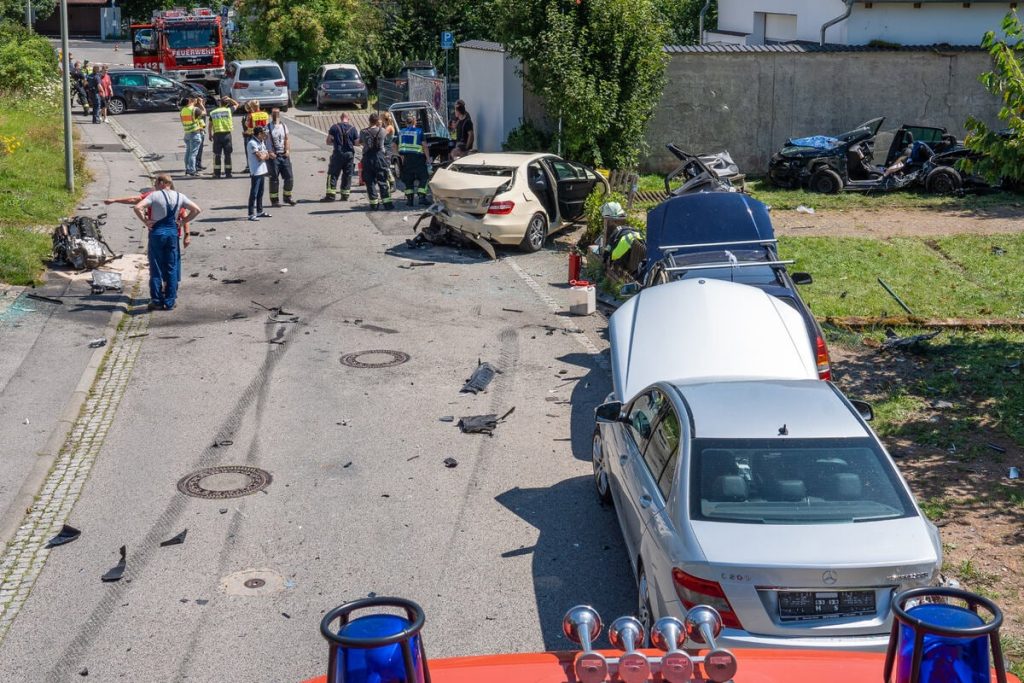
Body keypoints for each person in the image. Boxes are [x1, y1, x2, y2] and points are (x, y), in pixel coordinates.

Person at [132, 174, 201, 311]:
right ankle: (170, 301)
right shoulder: (180, 196)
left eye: (156, 183)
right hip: (172, 233)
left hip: (157, 232)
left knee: (156, 266)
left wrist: (145, 221)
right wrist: (183, 222)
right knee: (172, 266)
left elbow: (137, 207)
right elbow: (196, 210)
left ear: (162, 183)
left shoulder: (154, 196)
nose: (155, 186)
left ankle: (156, 300)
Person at [357, 113, 393, 210]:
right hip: (379, 157)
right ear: (378, 121)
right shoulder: (382, 131)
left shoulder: (363, 131)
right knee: (383, 180)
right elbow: (387, 139)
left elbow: (359, 142)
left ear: (369, 120)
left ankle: (374, 204)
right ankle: (387, 204)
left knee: (370, 182)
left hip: (367, 158)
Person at [396, 112, 430, 207]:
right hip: (418, 159)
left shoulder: (401, 132)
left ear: (406, 123)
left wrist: (399, 155)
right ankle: (422, 197)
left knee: (408, 180)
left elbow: (393, 145)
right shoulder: (419, 131)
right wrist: (428, 158)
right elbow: (425, 146)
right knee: (424, 177)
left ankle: (410, 200)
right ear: (414, 122)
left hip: (406, 159)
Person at [323, 112, 358, 201]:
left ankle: (331, 195)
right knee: (347, 174)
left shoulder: (334, 127)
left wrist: (335, 142)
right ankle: (345, 195)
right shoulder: (353, 129)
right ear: (348, 118)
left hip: (338, 153)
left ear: (341, 118)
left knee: (333, 174)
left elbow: (328, 141)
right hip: (349, 154)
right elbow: (357, 143)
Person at [266, 108, 296, 206]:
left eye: (277, 114)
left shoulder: (284, 126)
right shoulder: (267, 127)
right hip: (273, 157)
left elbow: (287, 139)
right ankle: (274, 200)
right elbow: (265, 141)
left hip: (284, 155)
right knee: (274, 179)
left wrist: (287, 150)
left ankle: (287, 197)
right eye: (274, 114)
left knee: (289, 177)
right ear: (271, 115)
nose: (276, 116)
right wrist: (269, 152)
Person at [208, 96, 239, 178]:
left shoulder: (213, 112)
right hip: (227, 135)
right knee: (227, 154)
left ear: (219, 103)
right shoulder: (229, 110)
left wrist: (210, 134)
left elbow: (210, 125)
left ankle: (217, 173)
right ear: (227, 103)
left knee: (217, 154)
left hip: (217, 135)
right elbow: (236, 104)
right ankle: (228, 173)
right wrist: (230, 99)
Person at [246, 126, 273, 221]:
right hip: (256, 171)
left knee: (260, 192)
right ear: (259, 134)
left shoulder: (261, 142)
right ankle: (251, 214)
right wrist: (264, 155)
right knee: (254, 192)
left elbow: (267, 155)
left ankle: (259, 211)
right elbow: (260, 157)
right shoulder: (252, 143)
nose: (265, 135)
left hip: (262, 170)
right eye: (264, 133)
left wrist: (264, 155)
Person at [241, 100, 269, 173]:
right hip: (264, 136)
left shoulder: (251, 115)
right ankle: (266, 168)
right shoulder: (265, 114)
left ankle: (251, 168)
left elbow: (248, 127)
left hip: (253, 136)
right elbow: (266, 125)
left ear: (252, 106)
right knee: (264, 151)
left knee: (253, 154)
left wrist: (245, 132)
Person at [180, 96, 204, 176]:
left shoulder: (182, 110)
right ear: (190, 102)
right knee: (193, 154)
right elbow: (204, 112)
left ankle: (187, 169)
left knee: (188, 152)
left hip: (187, 133)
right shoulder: (194, 109)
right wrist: (201, 104)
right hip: (194, 133)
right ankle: (192, 170)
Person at [380, 110, 397, 194]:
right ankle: (388, 183)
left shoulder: (389, 127)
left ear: (384, 119)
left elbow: (382, 134)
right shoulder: (386, 126)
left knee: (386, 166)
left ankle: (393, 184)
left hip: (387, 149)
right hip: (385, 148)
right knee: (384, 166)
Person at [193, 97, 209, 171]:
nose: (204, 103)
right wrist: (201, 104)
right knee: (197, 150)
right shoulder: (197, 110)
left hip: (200, 131)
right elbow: (205, 112)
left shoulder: (198, 109)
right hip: (197, 132)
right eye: (203, 101)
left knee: (200, 149)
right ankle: (196, 165)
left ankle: (198, 163)